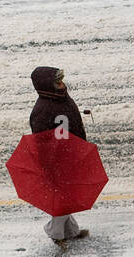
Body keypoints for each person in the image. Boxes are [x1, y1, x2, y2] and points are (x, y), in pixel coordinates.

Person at [29, 66, 91, 242]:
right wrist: (48, 164)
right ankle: (55, 232)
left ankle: (70, 231)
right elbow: (41, 142)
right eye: (57, 82)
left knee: (68, 193)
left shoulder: (61, 98)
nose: (62, 84)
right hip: (58, 160)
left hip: (72, 152)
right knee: (64, 196)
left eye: (61, 80)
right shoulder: (42, 110)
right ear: (47, 86)